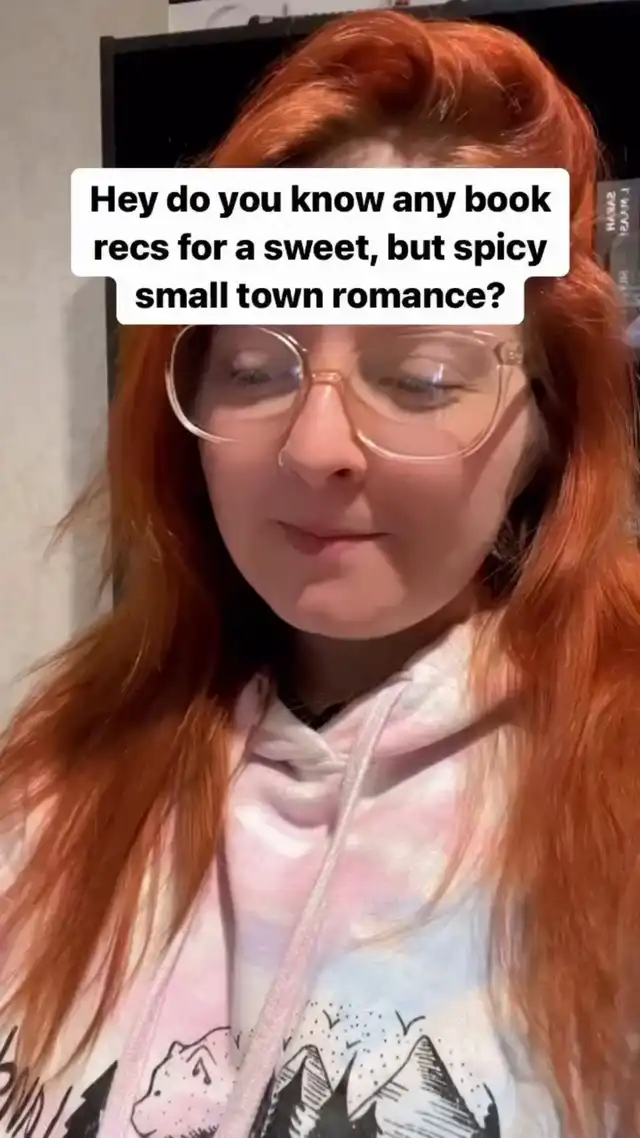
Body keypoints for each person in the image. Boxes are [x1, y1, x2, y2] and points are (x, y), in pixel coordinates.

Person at [1, 9, 639, 1138]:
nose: (313, 447)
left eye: (422, 376)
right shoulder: (57, 776)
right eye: (254, 366)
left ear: (550, 429)